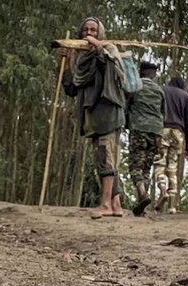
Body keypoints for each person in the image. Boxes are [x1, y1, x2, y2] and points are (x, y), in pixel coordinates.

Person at [63, 17, 127, 218]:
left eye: (93, 30)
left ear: (100, 33)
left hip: (107, 114)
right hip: (92, 118)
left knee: (105, 158)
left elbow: (111, 68)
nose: (89, 33)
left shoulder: (108, 51)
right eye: (85, 30)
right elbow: (72, 88)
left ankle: (106, 204)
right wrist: (65, 64)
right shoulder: (82, 60)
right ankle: (116, 205)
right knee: (104, 160)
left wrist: (100, 49)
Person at [126, 60, 165, 216]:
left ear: (140, 73)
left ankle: (142, 194)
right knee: (147, 167)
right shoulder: (160, 91)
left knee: (135, 164)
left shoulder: (135, 87)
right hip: (156, 131)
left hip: (139, 129)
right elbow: (164, 112)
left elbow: (126, 107)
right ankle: (141, 206)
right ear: (154, 75)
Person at [153, 77, 188, 214]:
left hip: (163, 129)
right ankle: (172, 206)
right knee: (172, 166)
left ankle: (163, 191)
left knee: (160, 163)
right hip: (178, 132)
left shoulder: (161, 90)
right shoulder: (185, 96)